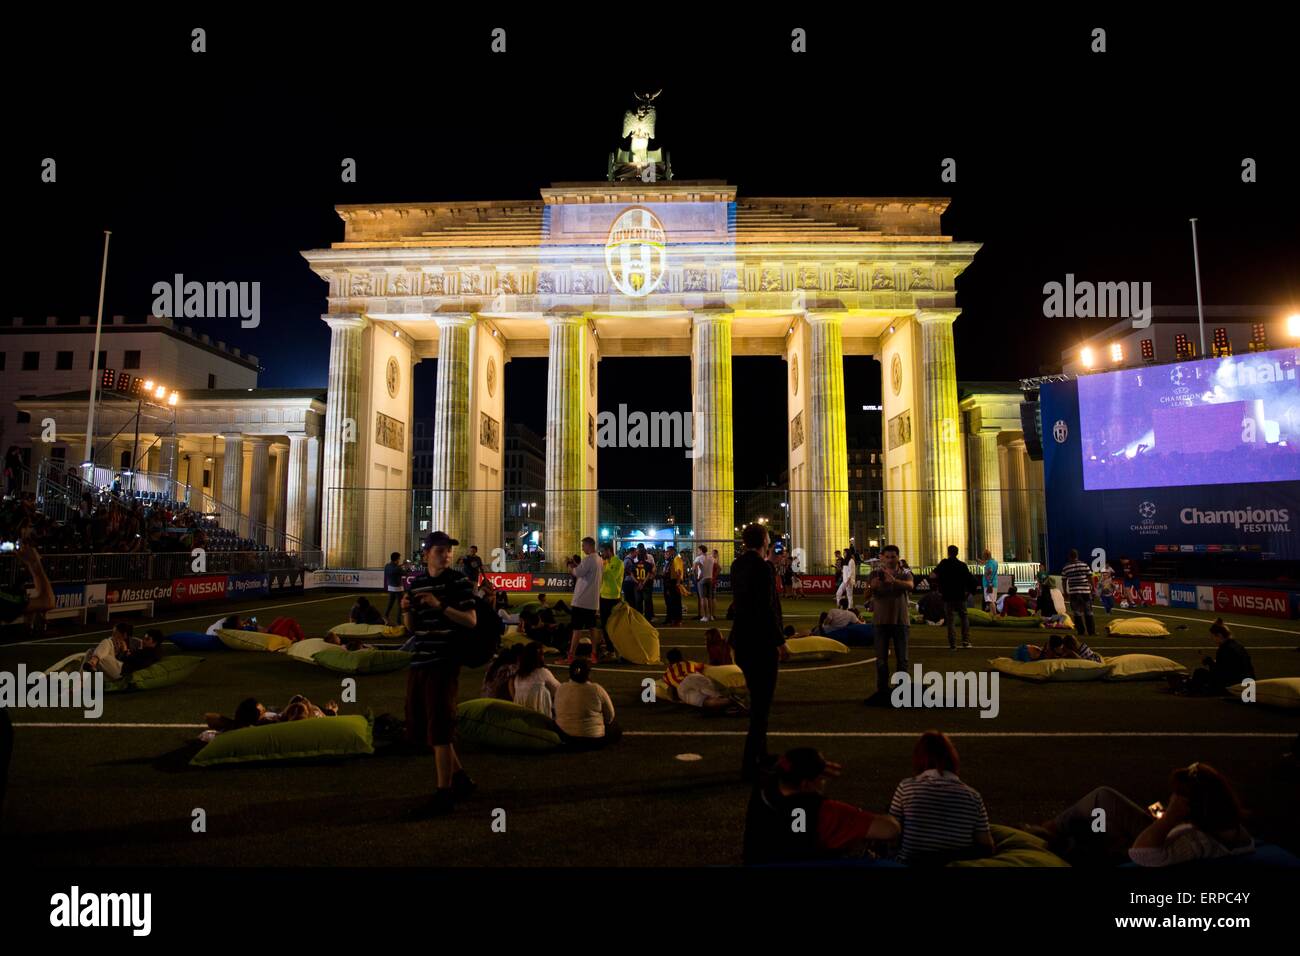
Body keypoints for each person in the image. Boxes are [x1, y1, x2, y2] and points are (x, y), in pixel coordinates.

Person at [1026, 762, 1254, 866]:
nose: (1172, 797)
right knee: (1102, 801)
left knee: (1097, 807)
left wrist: (1170, 817)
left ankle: (1046, 833)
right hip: (1168, 831)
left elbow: (1141, 854)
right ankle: (1052, 832)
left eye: (1177, 796)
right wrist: (1165, 815)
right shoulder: (1225, 821)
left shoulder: (1196, 841)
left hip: (1144, 846)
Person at [401, 530, 479, 817]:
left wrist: (440, 605)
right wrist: (406, 609)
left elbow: (471, 621)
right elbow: (411, 628)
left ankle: (444, 794)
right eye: (440, 550)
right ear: (426, 554)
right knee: (423, 725)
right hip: (420, 660)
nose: (446, 554)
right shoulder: (417, 583)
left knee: (441, 726)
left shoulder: (458, 581)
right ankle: (460, 779)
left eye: (448, 550)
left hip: (445, 661)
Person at [743, 747, 901, 865]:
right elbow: (889, 830)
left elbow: (778, 767)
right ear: (805, 785)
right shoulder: (825, 810)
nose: (823, 780)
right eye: (820, 777)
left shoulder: (761, 793)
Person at [729, 523, 786, 782]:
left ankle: (760, 755)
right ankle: (750, 765)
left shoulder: (737, 565)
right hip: (760, 643)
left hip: (741, 640)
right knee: (762, 707)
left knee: (757, 700)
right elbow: (766, 607)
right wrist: (779, 641)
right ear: (764, 540)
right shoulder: (764, 568)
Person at [889, 731, 994, 865]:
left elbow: (891, 836)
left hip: (912, 863)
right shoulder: (973, 796)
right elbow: (986, 846)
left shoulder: (906, 787)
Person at [866, 544, 913, 705]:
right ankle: (882, 691)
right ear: (882, 558)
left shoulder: (905, 573)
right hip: (880, 621)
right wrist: (874, 585)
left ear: (898, 558)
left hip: (900, 621)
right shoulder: (875, 573)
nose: (891, 560)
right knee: (881, 659)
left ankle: (902, 691)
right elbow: (867, 593)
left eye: (893, 557)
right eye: (887, 557)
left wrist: (894, 581)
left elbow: (910, 586)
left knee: (902, 659)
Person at [1170, 618, 1255, 696]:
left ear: (1219, 635)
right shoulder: (1238, 646)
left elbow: (1219, 673)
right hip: (1248, 681)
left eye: (1213, 636)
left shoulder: (1224, 649)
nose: (1212, 639)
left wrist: (1209, 662)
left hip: (1233, 683)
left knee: (1199, 672)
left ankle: (1191, 690)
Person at [555, 658, 620, 748]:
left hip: (565, 736)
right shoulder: (596, 689)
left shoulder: (561, 688)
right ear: (588, 673)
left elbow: (557, 711)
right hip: (592, 739)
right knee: (615, 728)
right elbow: (610, 716)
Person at [662, 648, 743, 714]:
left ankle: (730, 704)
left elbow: (666, 688)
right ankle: (736, 702)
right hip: (694, 677)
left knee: (705, 702)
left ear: (669, 661)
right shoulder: (689, 663)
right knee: (717, 695)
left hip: (681, 689)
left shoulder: (666, 674)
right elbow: (708, 667)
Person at [566, 537, 603, 662]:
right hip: (592, 601)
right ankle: (594, 654)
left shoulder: (589, 559)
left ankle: (571, 655)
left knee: (577, 629)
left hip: (581, 600)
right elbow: (585, 572)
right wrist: (577, 566)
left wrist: (571, 567)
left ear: (589, 545)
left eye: (583, 546)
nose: (582, 548)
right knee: (592, 628)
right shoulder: (599, 559)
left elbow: (577, 573)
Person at [511, 640, 560, 719]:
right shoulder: (542, 673)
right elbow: (559, 690)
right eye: (542, 654)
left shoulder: (518, 676)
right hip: (538, 717)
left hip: (520, 716)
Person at [1060, 548, 1096, 637]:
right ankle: (1091, 631)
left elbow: (1064, 581)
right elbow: (1090, 577)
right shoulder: (1084, 565)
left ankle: (1081, 631)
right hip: (1085, 592)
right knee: (1088, 611)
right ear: (1077, 556)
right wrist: (1093, 588)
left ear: (1069, 557)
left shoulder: (1066, 567)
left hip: (1074, 592)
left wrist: (1065, 592)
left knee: (1076, 612)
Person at [598, 543, 624, 638]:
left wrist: (602, 568)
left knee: (613, 625)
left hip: (613, 598)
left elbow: (612, 577)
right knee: (604, 623)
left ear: (609, 550)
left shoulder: (618, 562)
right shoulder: (604, 562)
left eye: (602, 552)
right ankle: (608, 646)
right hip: (603, 596)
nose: (601, 554)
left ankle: (613, 649)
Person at [630, 543, 656, 622]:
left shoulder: (635, 563)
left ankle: (640, 618)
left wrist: (638, 583)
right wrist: (643, 583)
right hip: (645, 584)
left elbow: (631, 574)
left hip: (638, 584)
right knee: (646, 602)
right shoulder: (647, 564)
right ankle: (647, 619)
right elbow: (649, 573)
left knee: (639, 602)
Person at [662, 545, 685, 627]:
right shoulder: (670, 561)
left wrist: (678, 582)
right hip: (669, 583)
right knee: (670, 602)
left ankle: (677, 620)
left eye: (668, 551)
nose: (666, 553)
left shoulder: (676, 559)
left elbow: (678, 572)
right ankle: (670, 618)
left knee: (675, 602)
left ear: (672, 551)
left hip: (674, 583)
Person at [694, 544, 717, 622]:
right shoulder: (711, 557)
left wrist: (698, 576)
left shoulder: (699, 558)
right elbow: (716, 566)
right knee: (709, 598)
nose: (698, 551)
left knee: (703, 598)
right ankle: (711, 616)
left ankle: (705, 616)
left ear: (701, 550)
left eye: (698, 550)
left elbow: (694, 567)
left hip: (702, 579)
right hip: (710, 578)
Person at [383, 551, 405, 624]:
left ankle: (386, 615)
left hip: (390, 587)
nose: (399, 560)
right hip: (398, 588)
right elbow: (405, 573)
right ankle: (399, 621)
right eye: (399, 559)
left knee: (390, 603)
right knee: (400, 605)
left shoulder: (387, 566)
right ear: (397, 559)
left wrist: (400, 566)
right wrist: (406, 568)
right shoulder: (397, 568)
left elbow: (392, 570)